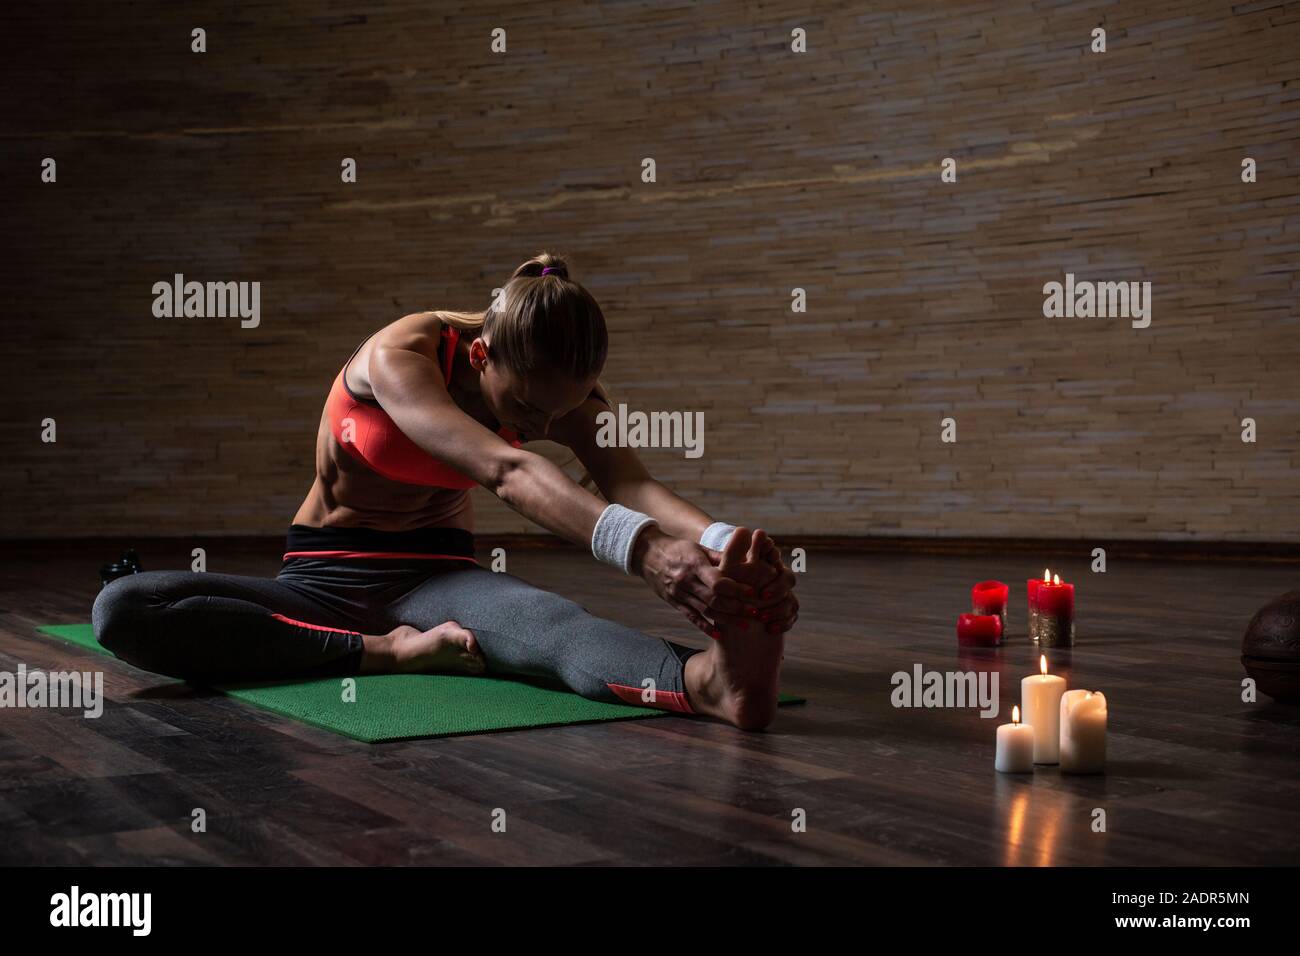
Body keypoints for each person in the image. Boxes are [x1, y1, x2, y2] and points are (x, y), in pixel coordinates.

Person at [93, 253, 798, 730]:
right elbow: (507, 471)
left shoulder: (555, 391)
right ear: (483, 356)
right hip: (321, 580)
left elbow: (631, 480)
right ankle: (386, 651)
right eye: (528, 413)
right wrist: (645, 553)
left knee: (555, 630)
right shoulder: (399, 358)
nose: (548, 427)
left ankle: (713, 684)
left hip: (440, 578)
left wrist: (726, 550)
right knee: (126, 607)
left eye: (565, 411)